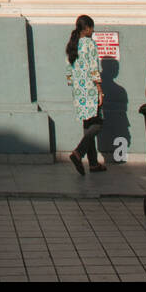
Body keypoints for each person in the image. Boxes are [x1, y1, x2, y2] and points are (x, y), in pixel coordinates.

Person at [65, 14, 106, 174]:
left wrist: (75, 84)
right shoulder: (89, 44)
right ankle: (78, 152)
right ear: (87, 28)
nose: (93, 30)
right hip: (89, 88)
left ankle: (94, 163)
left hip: (78, 89)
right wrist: (99, 89)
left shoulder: (72, 44)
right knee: (97, 124)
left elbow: (68, 69)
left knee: (87, 124)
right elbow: (93, 67)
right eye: (92, 27)